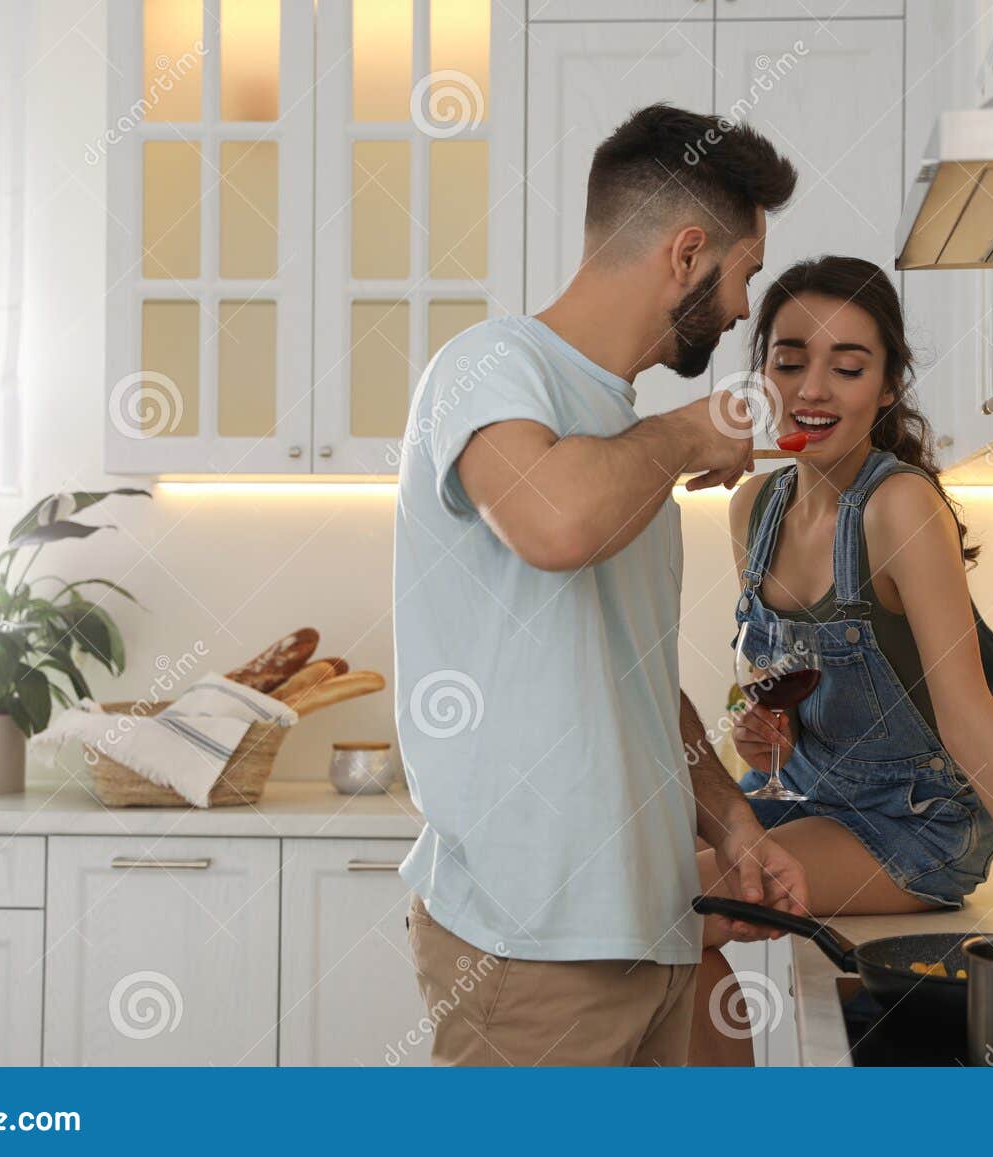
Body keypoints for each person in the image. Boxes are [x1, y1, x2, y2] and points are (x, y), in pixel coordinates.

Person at [393, 104, 810, 1066]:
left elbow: (635, 686)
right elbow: (557, 524)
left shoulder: (622, 431)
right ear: (688, 254)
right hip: (533, 947)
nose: (742, 309)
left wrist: (734, 824)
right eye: (744, 272)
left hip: (653, 930)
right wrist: (690, 430)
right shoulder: (492, 366)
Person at [690, 256, 993, 1064]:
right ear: (761, 373)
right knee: (631, 884)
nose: (813, 388)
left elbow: (970, 718)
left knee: (673, 900)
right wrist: (763, 731)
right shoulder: (752, 509)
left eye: (848, 367)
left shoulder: (900, 507)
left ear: (886, 387)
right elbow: (765, 689)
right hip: (807, 801)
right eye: (789, 361)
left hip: (913, 827)